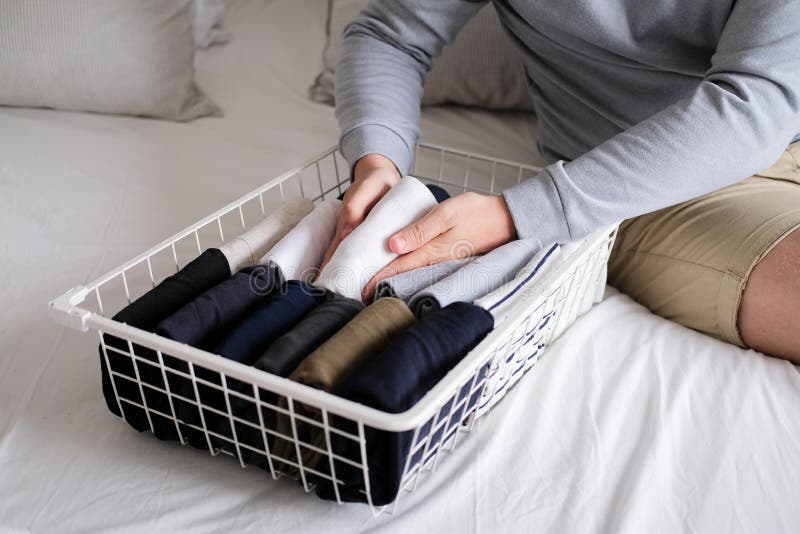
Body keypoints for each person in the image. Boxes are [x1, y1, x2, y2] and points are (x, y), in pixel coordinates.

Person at [319, 0, 800, 363]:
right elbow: (391, 35)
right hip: (655, 187)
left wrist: (513, 215)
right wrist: (377, 162)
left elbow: (764, 97)